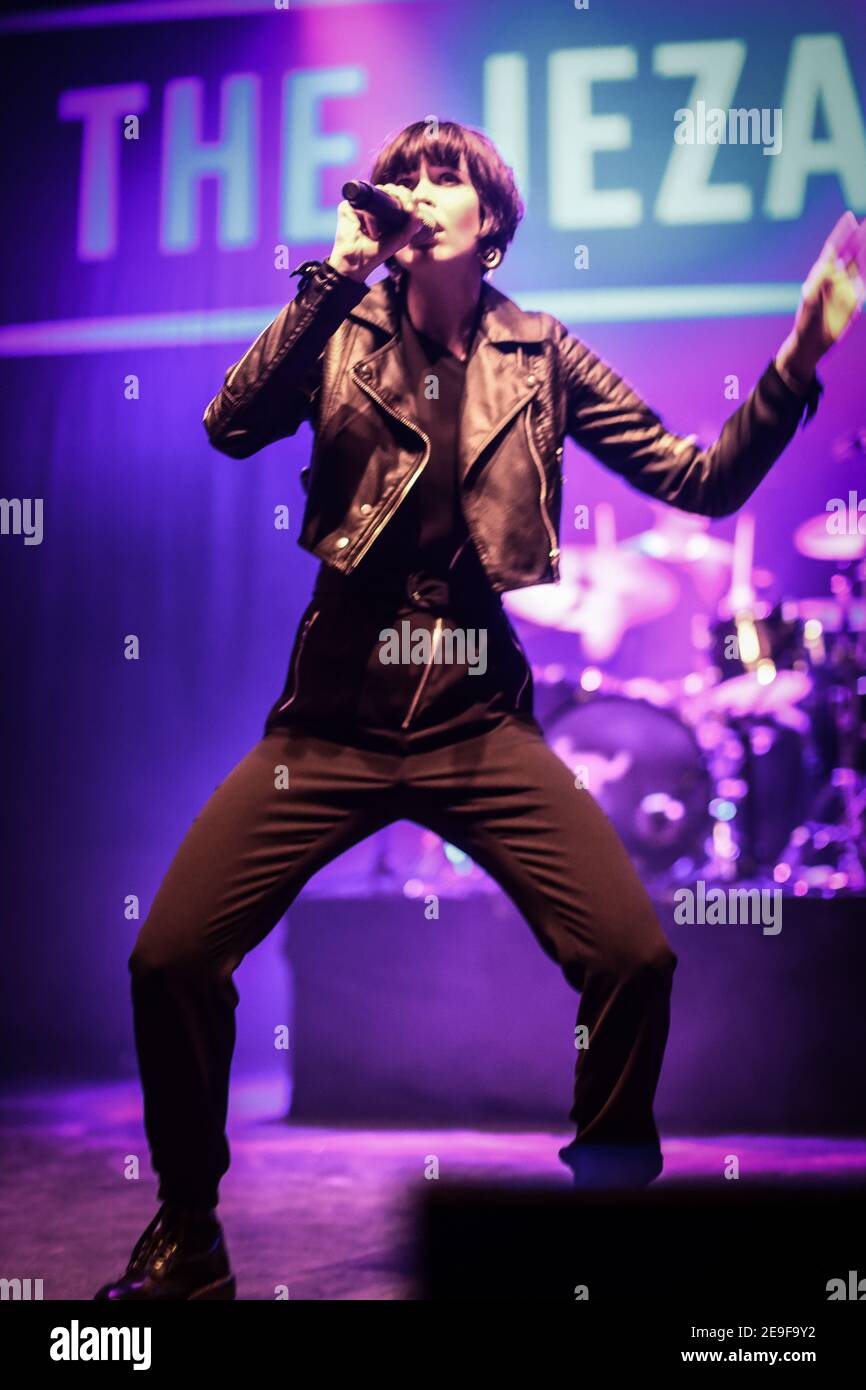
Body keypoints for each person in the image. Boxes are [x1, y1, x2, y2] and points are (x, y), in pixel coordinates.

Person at [94, 119, 863, 1300]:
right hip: (333, 717)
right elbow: (229, 424)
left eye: (443, 175)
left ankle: (605, 1212)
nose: (417, 189)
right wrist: (329, 274)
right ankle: (187, 1232)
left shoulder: (539, 352)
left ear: (490, 225)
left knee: (632, 956)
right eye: (406, 172)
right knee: (171, 957)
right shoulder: (340, 326)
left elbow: (697, 479)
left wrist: (796, 357)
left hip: (476, 719)